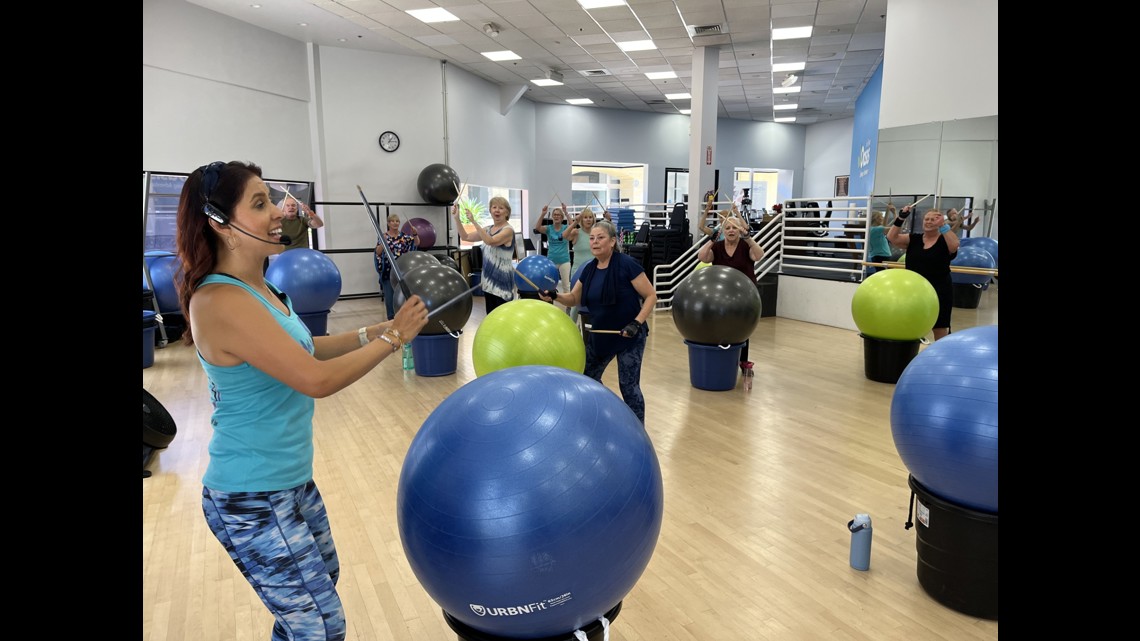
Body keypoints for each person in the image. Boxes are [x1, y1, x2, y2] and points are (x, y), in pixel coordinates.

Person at [174, 161, 429, 641]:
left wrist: (368, 331)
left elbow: (303, 350)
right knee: (320, 625)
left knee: (312, 604)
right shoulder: (218, 301)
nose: (277, 212)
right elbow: (313, 379)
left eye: (270, 200)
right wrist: (393, 338)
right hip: (251, 496)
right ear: (219, 224)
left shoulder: (262, 285)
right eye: (259, 203)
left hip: (291, 482)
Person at [539, 219, 657, 424]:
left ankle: (638, 430)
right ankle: (605, 416)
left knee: (629, 387)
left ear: (612, 242)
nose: (594, 242)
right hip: (602, 334)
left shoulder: (627, 264)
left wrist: (636, 323)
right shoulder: (589, 269)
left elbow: (651, 296)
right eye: (592, 238)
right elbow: (574, 298)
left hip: (630, 334)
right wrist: (555, 295)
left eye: (600, 238)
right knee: (588, 378)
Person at [696, 213, 765, 375]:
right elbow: (702, 257)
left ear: (739, 230)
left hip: (745, 295)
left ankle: (743, 361)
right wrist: (712, 240)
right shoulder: (718, 247)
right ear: (723, 231)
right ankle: (720, 357)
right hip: (722, 295)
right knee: (719, 325)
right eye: (727, 228)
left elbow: (759, 255)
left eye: (734, 227)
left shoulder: (745, 246)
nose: (731, 230)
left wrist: (748, 238)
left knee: (742, 327)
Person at [886, 205, 960, 341]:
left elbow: (954, 245)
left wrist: (943, 226)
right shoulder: (913, 239)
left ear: (940, 222)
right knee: (910, 322)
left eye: (933, 219)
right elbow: (892, 237)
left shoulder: (945, 240)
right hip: (914, 290)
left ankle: (941, 357)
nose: (929, 221)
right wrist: (901, 217)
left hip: (939, 289)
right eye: (927, 219)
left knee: (939, 327)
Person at [453, 195, 516, 315]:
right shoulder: (487, 229)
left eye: (501, 208)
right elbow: (465, 236)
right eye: (494, 207)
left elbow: (490, 241)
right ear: (490, 211)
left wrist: (473, 221)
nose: (497, 210)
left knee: (503, 319)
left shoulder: (508, 230)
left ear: (507, 212)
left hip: (502, 284)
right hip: (488, 282)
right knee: (491, 318)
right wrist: (456, 218)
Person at [375, 213, 419, 320]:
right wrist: (383, 241)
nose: (395, 223)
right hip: (388, 273)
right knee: (390, 299)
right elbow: (378, 252)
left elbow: (416, 243)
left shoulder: (404, 237)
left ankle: (404, 320)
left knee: (403, 298)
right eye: (393, 221)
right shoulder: (384, 236)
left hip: (402, 272)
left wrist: (415, 234)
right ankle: (391, 320)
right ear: (388, 223)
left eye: (397, 221)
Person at [533, 203, 576, 307]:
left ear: (562, 218)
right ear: (552, 217)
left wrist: (566, 212)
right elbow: (537, 227)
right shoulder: (549, 228)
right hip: (551, 261)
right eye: (555, 214)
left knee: (566, 286)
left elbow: (574, 226)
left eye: (559, 215)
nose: (556, 216)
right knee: (548, 284)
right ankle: (548, 304)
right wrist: (543, 213)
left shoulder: (566, 227)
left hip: (564, 260)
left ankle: (568, 308)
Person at [864, 209, 894, 276]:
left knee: (881, 274)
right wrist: (895, 213)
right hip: (882, 256)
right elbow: (896, 228)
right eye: (881, 217)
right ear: (876, 219)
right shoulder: (876, 229)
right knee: (883, 275)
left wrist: (888, 210)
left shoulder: (872, 229)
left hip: (878, 255)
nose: (882, 218)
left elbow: (884, 225)